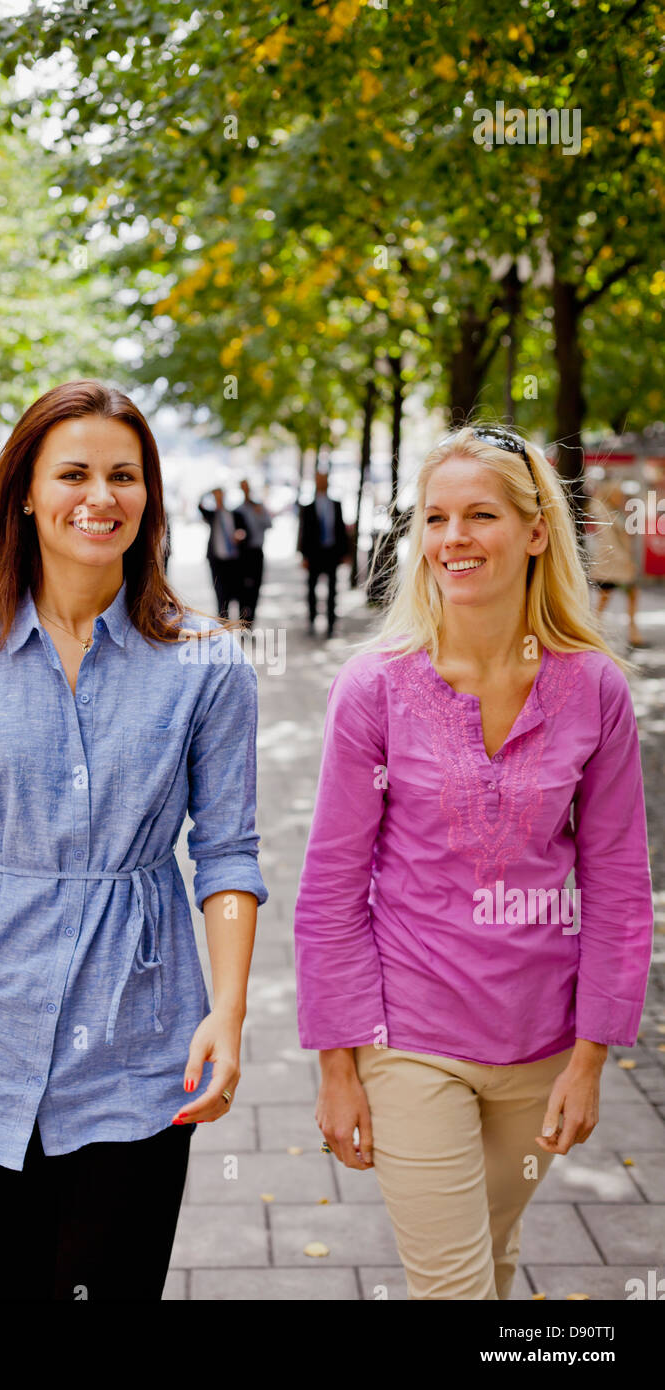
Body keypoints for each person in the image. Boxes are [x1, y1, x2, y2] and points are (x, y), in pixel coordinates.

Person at [0, 379, 268, 1302]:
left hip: (142, 1052)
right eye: (75, 472)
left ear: (150, 497)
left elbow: (229, 853)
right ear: (24, 491)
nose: (101, 496)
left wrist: (231, 1013)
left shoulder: (207, 667)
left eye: (124, 475)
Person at [294, 423, 654, 1300]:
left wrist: (592, 1054)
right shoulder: (375, 686)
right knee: (453, 1287)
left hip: (541, 1040)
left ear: (535, 531)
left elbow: (618, 884)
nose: (453, 538)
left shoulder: (595, 689)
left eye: (480, 515)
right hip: (410, 1034)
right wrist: (337, 1064)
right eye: (436, 517)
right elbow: (332, 888)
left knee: (490, 1259)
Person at [585, 478, 649, 649]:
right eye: (617, 494)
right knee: (608, 597)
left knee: (624, 595)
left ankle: (627, 632)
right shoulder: (602, 510)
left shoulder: (614, 511)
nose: (620, 497)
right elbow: (610, 541)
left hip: (617, 565)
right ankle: (598, 631)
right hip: (612, 565)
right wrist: (627, 561)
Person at [297, 468, 350, 637]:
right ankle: (312, 621)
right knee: (312, 589)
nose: (322, 483)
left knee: (332, 591)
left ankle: (331, 625)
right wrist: (303, 555)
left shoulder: (336, 504)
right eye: (319, 480)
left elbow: (341, 529)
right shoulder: (308, 507)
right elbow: (303, 532)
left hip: (332, 553)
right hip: (314, 555)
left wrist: (345, 552)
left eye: (324, 480)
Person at [198, 486, 245, 619]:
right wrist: (208, 493)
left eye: (220, 495)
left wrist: (241, 535)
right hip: (217, 560)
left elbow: (244, 531)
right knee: (220, 593)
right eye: (216, 496)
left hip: (233, 559)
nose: (218, 498)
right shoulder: (212, 515)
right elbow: (199, 505)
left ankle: (241, 622)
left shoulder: (235, 514)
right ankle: (223, 621)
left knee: (235, 592)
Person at [233, 479, 273, 624]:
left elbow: (269, 524)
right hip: (243, 554)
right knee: (242, 589)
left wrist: (260, 513)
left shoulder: (258, 507)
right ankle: (242, 621)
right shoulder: (237, 510)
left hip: (257, 552)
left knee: (255, 589)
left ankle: (250, 623)